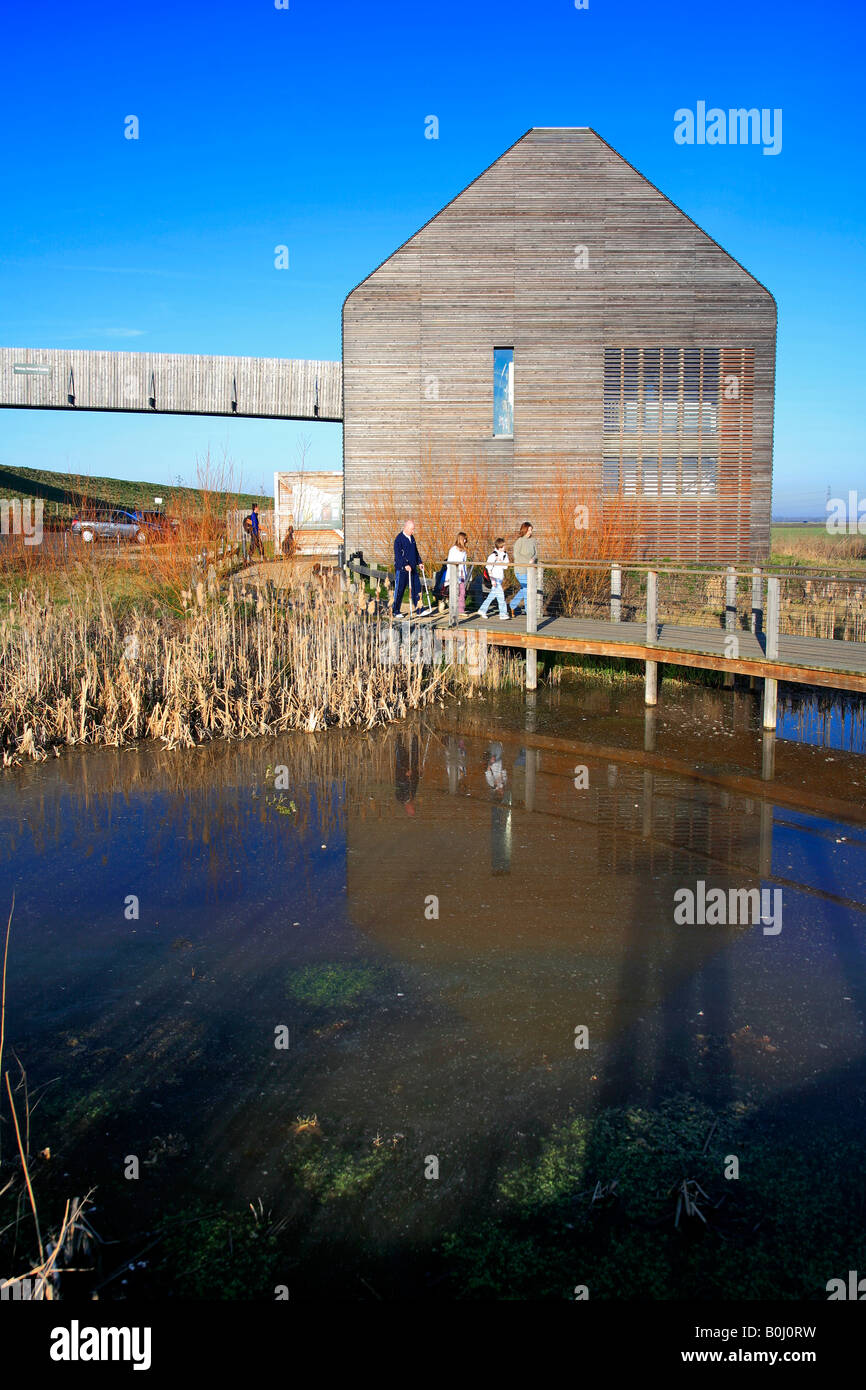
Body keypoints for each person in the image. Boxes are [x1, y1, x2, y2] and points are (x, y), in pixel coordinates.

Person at [392, 519, 425, 617]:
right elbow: (398, 555)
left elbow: (415, 551)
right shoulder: (399, 539)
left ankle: (419, 609)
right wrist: (405, 565)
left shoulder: (412, 538)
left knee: (417, 588)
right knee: (399, 590)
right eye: (411, 529)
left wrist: (419, 562)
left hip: (413, 568)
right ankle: (395, 610)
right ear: (406, 528)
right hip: (402, 569)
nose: (413, 531)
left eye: (413, 529)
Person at [478, 537, 510, 620]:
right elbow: (488, 568)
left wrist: (501, 561)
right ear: (499, 547)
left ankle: (482, 610)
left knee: (491, 596)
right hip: (495, 578)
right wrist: (492, 580)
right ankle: (503, 614)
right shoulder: (492, 556)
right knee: (501, 597)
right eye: (503, 546)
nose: (504, 548)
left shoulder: (505, 555)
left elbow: (506, 566)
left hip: (500, 578)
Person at [510, 521, 537, 615]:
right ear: (524, 530)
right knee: (527, 589)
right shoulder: (519, 541)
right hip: (520, 570)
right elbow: (516, 555)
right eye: (529, 530)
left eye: (531, 530)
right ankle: (528, 610)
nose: (530, 532)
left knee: (525, 589)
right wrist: (527, 561)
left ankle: (512, 605)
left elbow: (535, 554)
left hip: (530, 570)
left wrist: (533, 559)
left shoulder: (533, 541)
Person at [444, 531, 469, 615]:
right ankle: (450, 606)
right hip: (454, 573)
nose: (466, 541)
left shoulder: (464, 551)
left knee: (462, 591)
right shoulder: (453, 550)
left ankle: (461, 610)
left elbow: (464, 563)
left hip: (461, 573)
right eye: (464, 539)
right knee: (454, 592)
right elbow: (450, 562)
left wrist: (466, 574)